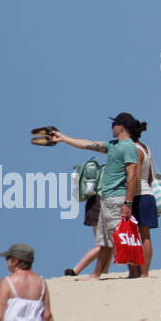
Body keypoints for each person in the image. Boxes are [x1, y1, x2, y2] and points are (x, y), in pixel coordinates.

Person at [50, 114, 140, 280]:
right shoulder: (114, 146)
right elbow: (88, 145)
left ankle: (135, 274)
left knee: (123, 238)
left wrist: (128, 202)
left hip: (117, 199)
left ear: (121, 127)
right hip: (107, 199)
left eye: (114, 124)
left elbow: (132, 175)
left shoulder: (128, 147)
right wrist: (63, 138)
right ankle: (96, 275)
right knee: (105, 241)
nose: (111, 127)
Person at [126, 118, 157, 277]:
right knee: (145, 235)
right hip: (148, 193)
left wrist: (128, 198)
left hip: (138, 194)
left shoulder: (134, 149)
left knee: (133, 235)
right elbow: (150, 176)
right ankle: (143, 273)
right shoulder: (145, 148)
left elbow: (135, 176)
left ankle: (137, 273)